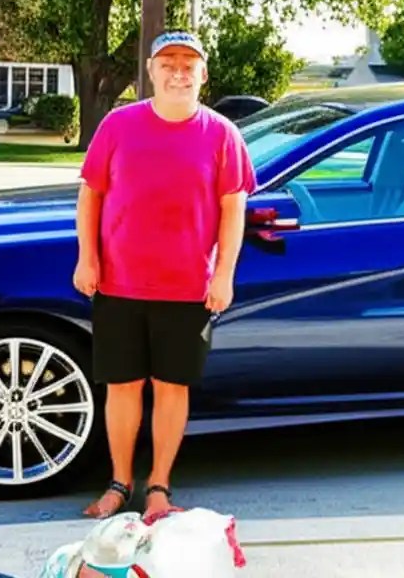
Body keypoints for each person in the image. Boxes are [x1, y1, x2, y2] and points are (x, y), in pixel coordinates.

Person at [73, 29, 257, 521]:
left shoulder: (222, 135)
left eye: (188, 64)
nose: (178, 72)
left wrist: (224, 276)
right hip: (118, 283)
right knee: (123, 386)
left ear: (203, 74)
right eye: (168, 63)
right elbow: (90, 195)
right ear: (150, 72)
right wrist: (86, 257)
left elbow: (233, 211)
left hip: (187, 287)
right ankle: (118, 482)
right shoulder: (117, 126)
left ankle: (158, 486)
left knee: (172, 387)